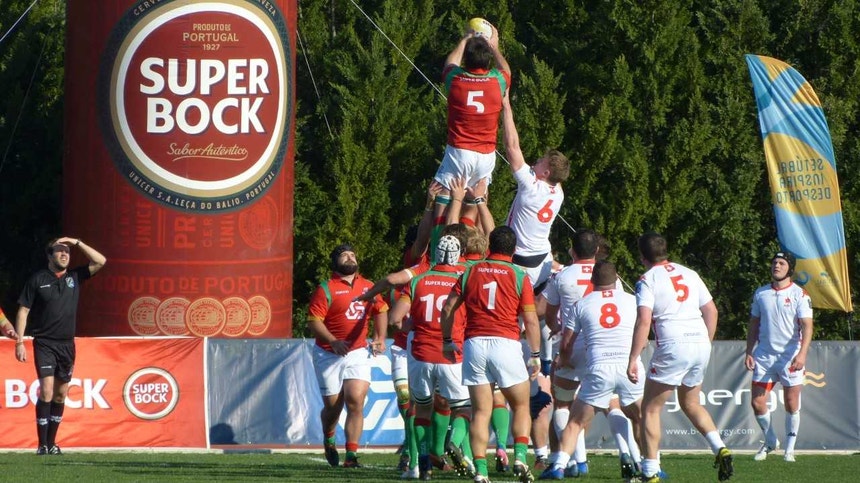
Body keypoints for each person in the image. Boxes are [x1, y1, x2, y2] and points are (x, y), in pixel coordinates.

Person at [626, 232, 733, 482]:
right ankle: (720, 447)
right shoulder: (689, 273)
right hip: (700, 340)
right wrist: (705, 341)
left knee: (650, 409)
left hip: (674, 343)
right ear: (666, 251)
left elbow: (643, 321)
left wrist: (633, 357)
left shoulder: (646, 279)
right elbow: (712, 310)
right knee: (692, 403)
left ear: (642, 257)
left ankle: (650, 471)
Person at [440, 226, 541, 483]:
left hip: (474, 345)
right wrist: (536, 353)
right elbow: (529, 318)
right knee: (520, 405)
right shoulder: (520, 275)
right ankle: (519, 457)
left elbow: (448, 306)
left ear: (488, 247)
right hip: (505, 343)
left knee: (480, 412)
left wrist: (447, 340)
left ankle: (482, 473)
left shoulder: (470, 271)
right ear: (514, 250)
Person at [540, 261, 644, 480]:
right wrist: (635, 357)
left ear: (592, 281)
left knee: (574, 418)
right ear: (617, 281)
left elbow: (567, 342)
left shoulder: (582, 303)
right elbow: (643, 331)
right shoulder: (632, 301)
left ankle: (560, 465)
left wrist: (563, 359)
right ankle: (640, 460)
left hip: (598, 366)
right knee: (641, 415)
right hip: (628, 366)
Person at [389, 235, 473, 480]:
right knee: (464, 409)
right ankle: (453, 443)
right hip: (450, 352)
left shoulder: (418, 280)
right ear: (457, 255)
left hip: (420, 353)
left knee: (421, 410)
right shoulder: (463, 280)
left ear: (436, 253)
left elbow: (395, 319)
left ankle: (423, 464)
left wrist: (414, 323)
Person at [15, 237, 106, 455]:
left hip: (67, 345)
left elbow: (101, 261)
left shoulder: (75, 276)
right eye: (59, 251)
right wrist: (20, 342)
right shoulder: (38, 279)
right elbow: (23, 311)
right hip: (44, 343)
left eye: (67, 252)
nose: (65, 254)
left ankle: (53, 443)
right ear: (49, 255)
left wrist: (77, 243)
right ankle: (42, 445)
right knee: (46, 392)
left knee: (60, 395)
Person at [307, 243, 388, 468]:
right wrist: (333, 341)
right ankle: (329, 436)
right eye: (344, 255)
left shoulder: (368, 285)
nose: (350, 258)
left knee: (355, 400)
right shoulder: (326, 288)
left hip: (358, 352)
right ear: (335, 262)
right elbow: (314, 321)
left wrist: (380, 337)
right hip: (328, 354)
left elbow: (381, 310)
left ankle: (351, 456)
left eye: (353, 254)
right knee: (333, 406)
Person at [432, 22, 510, 226]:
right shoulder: (497, 81)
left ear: (466, 60)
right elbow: (506, 69)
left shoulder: (456, 80)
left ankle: (441, 250)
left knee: (443, 198)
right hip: (486, 154)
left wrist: (465, 38)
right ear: (488, 61)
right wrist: (495, 46)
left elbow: (450, 63)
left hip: (460, 150)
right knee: (476, 201)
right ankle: (475, 252)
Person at [745, 251, 813, 463]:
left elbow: (807, 326)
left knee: (791, 403)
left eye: (781, 263)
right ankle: (770, 440)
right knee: (757, 402)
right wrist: (749, 351)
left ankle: (789, 450)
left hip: (790, 356)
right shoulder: (761, 293)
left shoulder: (800, 295)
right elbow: (754, 324)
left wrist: (802, 353)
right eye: (774, 262)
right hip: (764, 355)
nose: (776, 266)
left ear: (790, 269)